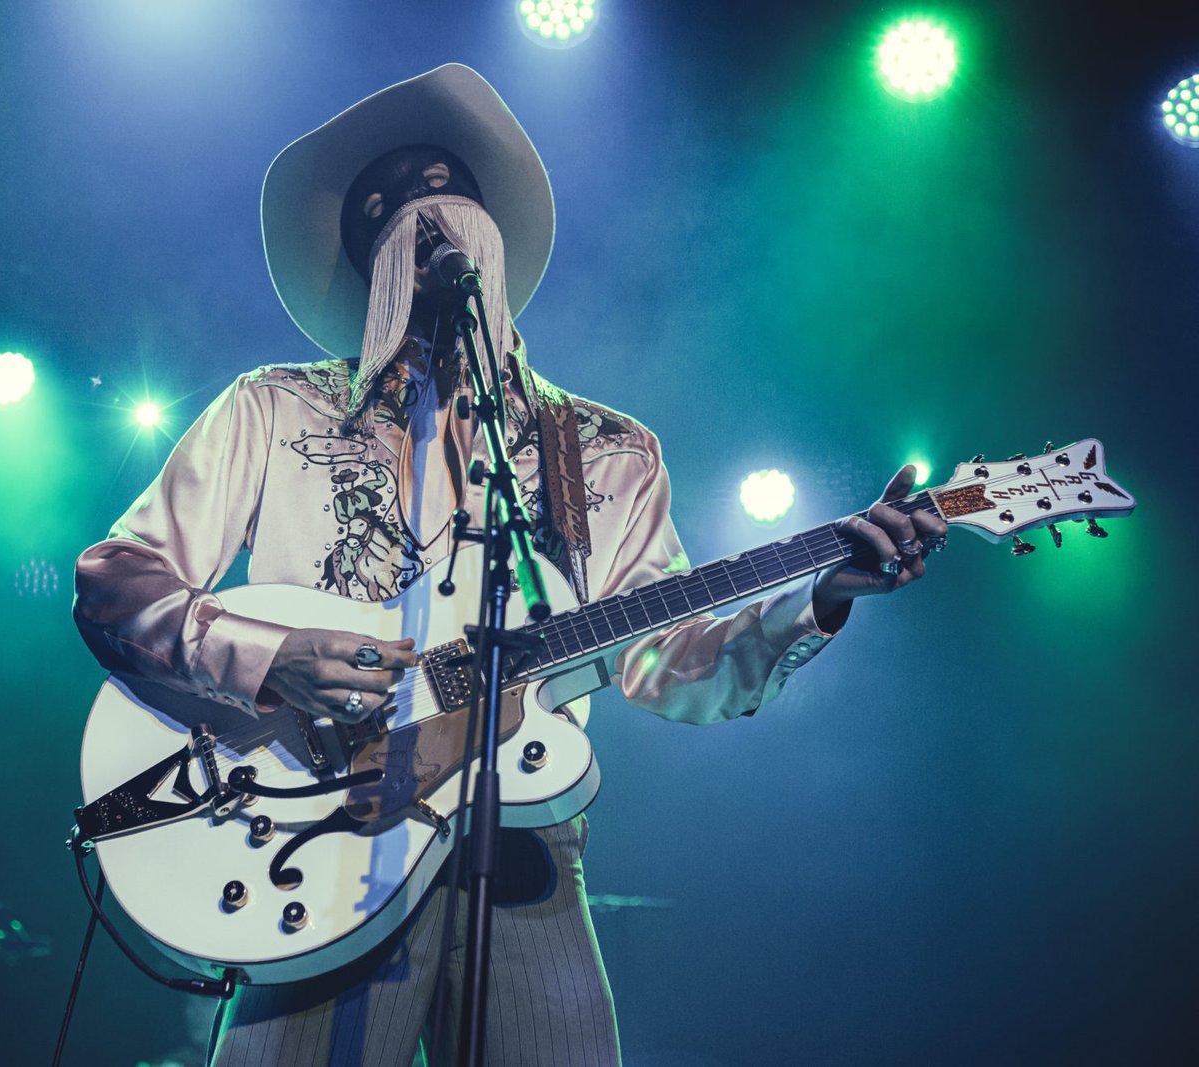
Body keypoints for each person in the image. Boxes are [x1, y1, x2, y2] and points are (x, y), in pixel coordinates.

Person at [73, 64, 946, 1067]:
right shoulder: (273, 409)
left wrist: (819, 593)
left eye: (442, 190)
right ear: (364, 263)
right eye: (383, 208)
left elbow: (669, 660)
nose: (420, 217)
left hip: (524, 846)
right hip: (311, 830)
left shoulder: (605, 449)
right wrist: (270, 656)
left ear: (490, 232)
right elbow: (116, 580)